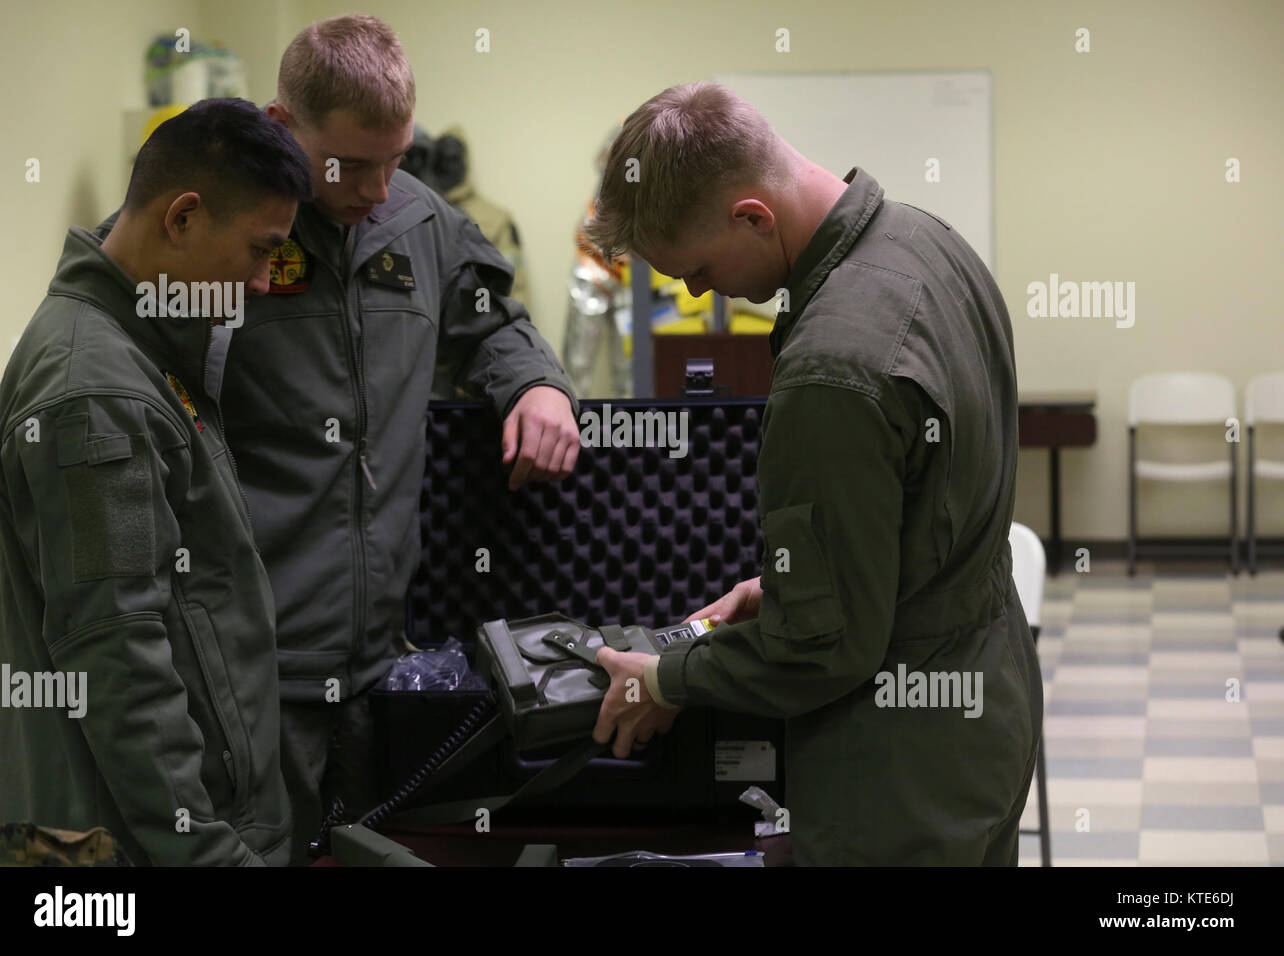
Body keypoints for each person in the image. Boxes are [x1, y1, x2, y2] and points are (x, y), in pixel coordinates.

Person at [586, 82, 1043, 866]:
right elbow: (926, 515)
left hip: (900, 766)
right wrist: (790, 591)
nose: (697, 293)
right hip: (985, 708)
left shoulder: (831, 369)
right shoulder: (930, 242)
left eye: (695, 269)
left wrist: (668, 677)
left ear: (753, 217)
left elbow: (826, 652)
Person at [220, 15, 581, 864]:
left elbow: (493, 324)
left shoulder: (420, 222)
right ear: (281, 125)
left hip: (385, 666)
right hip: (255, 674)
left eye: (397, 158)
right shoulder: (221, 230)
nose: (378, 188)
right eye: (351, 163)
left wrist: (534, 383)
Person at [0, 99, 313, 865]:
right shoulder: (97, 392)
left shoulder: (140, 346)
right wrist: (210, 856)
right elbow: (120, 663)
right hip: (116, 852)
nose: (267, 281)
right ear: (184, 218)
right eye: (262, 250)